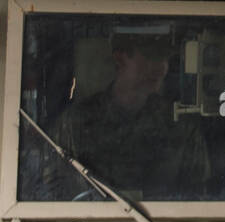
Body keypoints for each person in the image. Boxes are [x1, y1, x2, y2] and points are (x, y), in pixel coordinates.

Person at [38, 31, 211, 201]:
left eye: (165, 58)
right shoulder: (75, 123)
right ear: (120, 58)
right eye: (152, 57)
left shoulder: (180, 125)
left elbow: (199, 196)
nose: (162, 67)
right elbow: (53, 192)